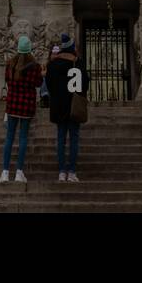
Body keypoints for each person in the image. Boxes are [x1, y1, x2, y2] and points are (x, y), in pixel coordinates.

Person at [45, 34, 90, 182]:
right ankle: (72, 171)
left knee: (61, 138)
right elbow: (85, 84)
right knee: (74, 139)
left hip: (59, 105)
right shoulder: (79, 63)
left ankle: (61, 170)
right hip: (74, 105)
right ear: (72, 48)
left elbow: (49, 86)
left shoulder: (53, 65)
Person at [0, 36, 44, 184]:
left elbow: (7, 81)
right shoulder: (35, 66)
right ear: (29, 49)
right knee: (23, 138)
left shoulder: (10, 64)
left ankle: (4, 173)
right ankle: (19, 172)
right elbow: (39, 83)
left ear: (18, 48)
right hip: (26, 106)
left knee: (9, 138)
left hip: (12, 105)